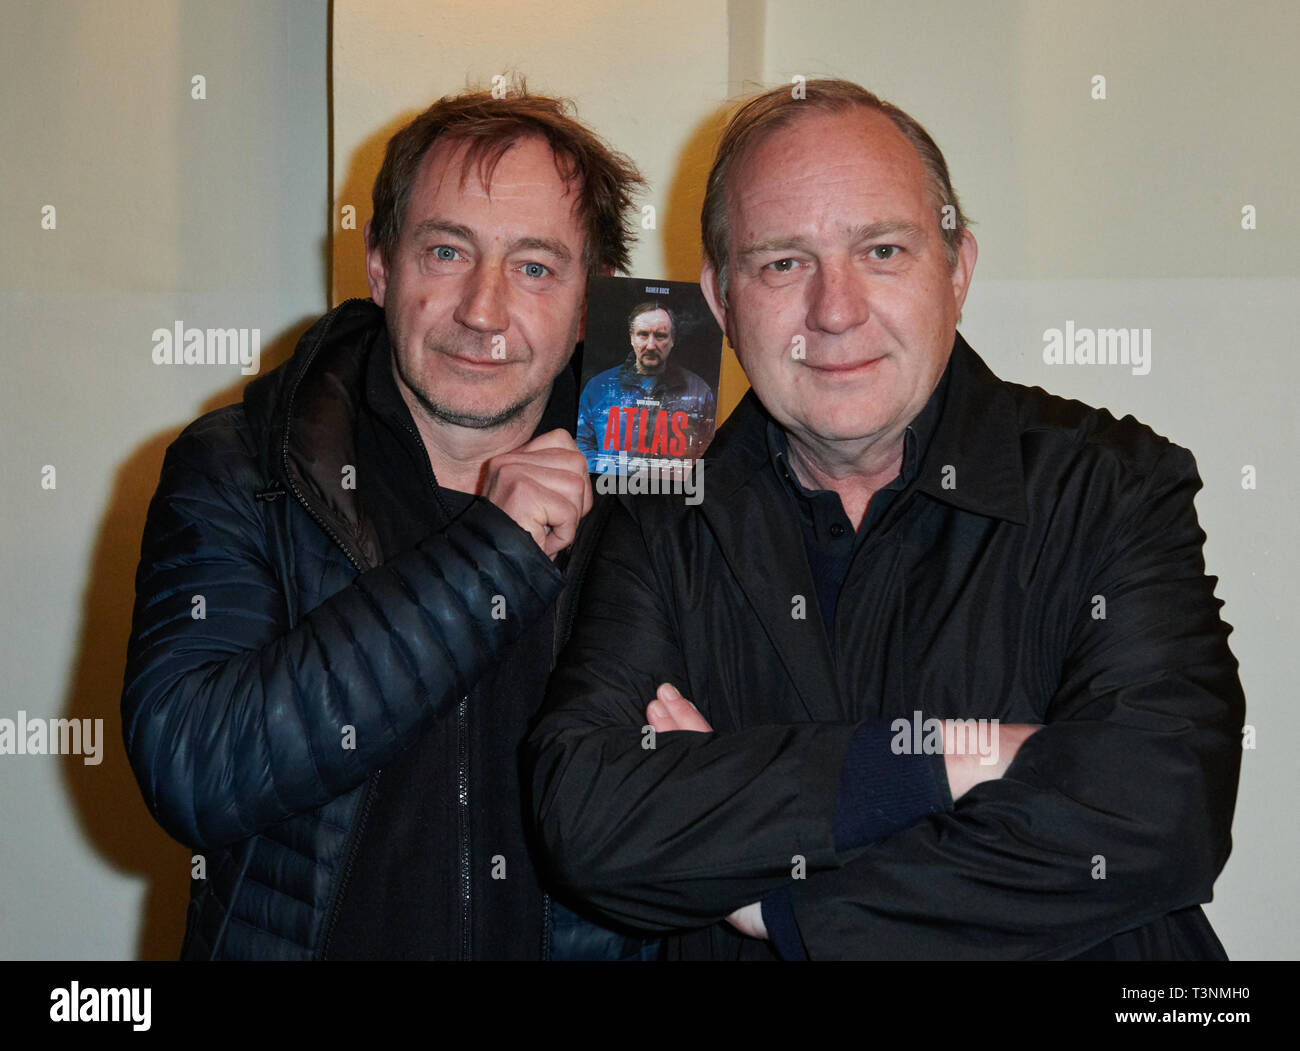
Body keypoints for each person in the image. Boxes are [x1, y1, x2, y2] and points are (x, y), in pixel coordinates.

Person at [526, 79, 1245, 960]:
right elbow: (588, 820)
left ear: (957, 269)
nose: (835, 311)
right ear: (719, 300)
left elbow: (1159, 813)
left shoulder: (1110, 488)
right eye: (782, 262)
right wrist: (952, 759)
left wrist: (782, 906)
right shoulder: (661, 513)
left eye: (882, 250)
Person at [120, 86, 650, 959]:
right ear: (379, 265)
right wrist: (494, 555)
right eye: (447, 251)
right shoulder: (246, 465)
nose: (483, 311)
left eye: (534, 267)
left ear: (590, 300)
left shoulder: (651, 493)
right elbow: (191, 766)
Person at [576, 302, 716, 473]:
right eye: (643, 335)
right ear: (631, 337)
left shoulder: (699, 391)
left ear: (672, 340)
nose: (650, 345)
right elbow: (582, 443)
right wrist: (608, 474)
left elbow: (708, 455)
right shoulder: (598, 387)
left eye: (660, 336)